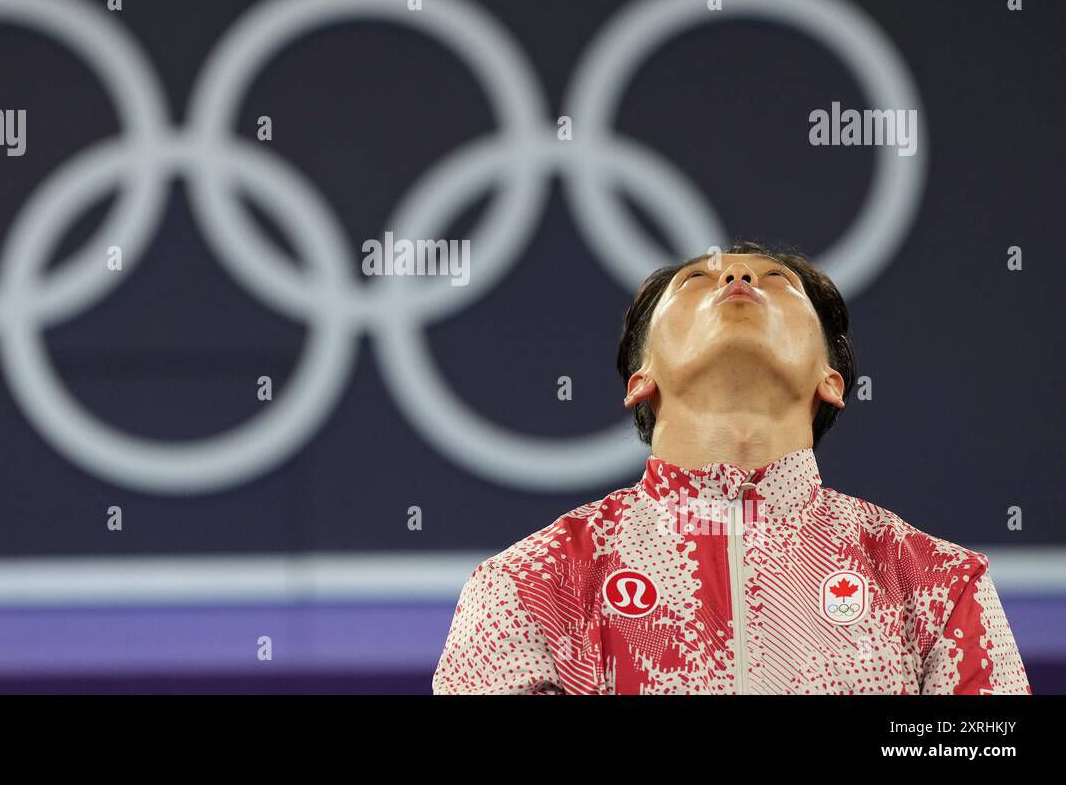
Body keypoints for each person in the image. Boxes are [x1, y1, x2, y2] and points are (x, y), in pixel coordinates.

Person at [432, 240, 1031, 694]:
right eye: (697, 280)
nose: (740, 277)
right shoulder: (532, 585)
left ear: (832, 380)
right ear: (642, 379)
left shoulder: (938, 584)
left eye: (778, 281)